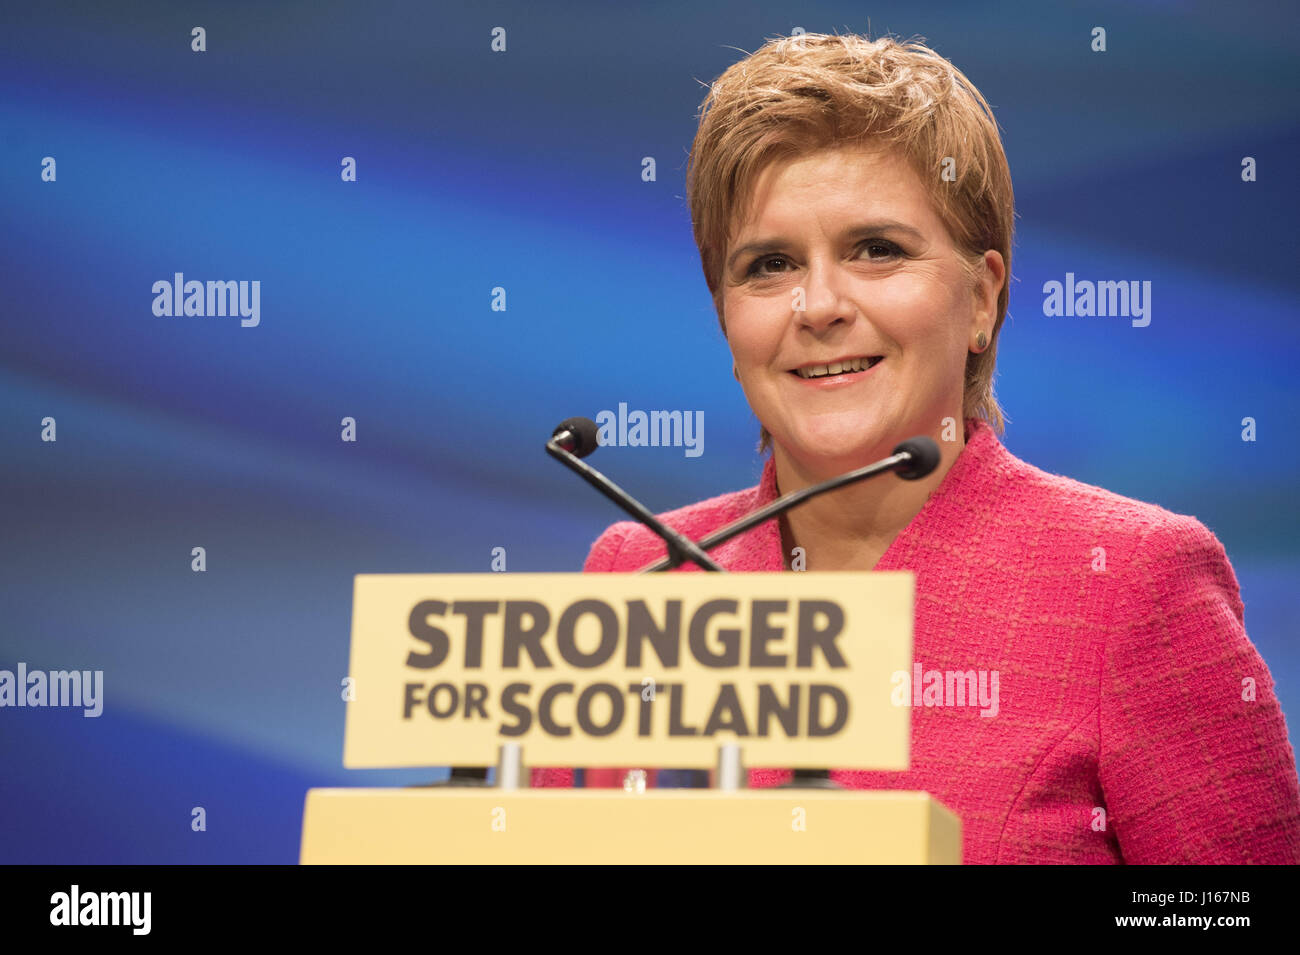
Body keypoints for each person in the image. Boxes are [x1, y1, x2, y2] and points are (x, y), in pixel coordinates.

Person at [531, 32, 1300, 863]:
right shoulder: (640, 573)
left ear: (981, 299)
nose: (818, 304)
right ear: (726, 316)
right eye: (770, 264)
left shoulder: (1133, 580)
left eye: (877, 250)